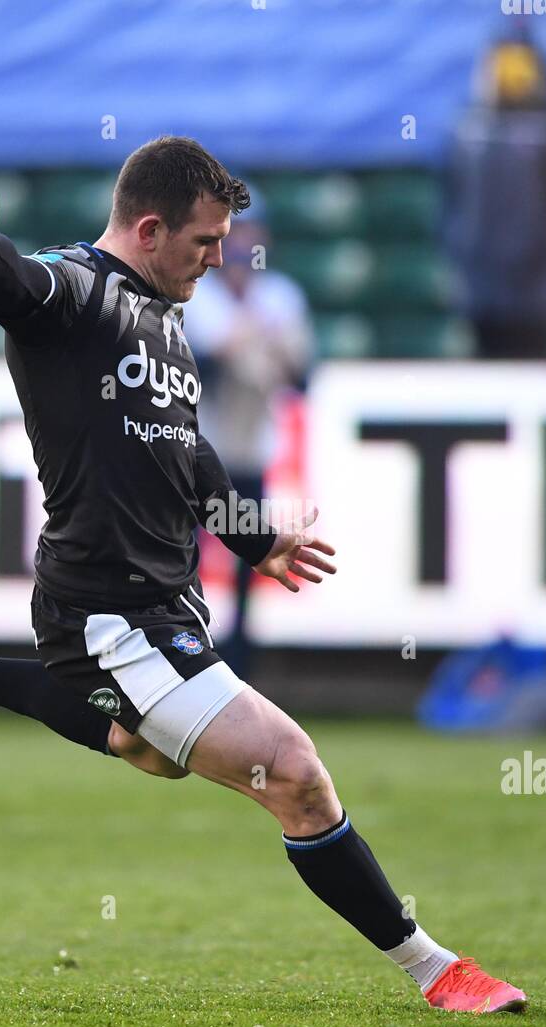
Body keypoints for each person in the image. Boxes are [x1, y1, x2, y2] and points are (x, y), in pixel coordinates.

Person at [0, 136, 525, 1013]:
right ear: (151, 228)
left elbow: (186, 452)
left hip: (168, 603)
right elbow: (20, 288)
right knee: (295, 772)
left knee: (147, 751)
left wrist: (253, 537)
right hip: (106, 610)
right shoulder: (78, 290)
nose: (218, 259)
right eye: (204, 243)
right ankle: (438, 971)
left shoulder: (164, 316)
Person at [185, 188, 313, 678]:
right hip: (201, 448)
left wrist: (266, 350)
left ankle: (238, 665)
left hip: (252, 446)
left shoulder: (280, 296)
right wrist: (250, 344)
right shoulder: (200, 294)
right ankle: (186, 647)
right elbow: (207, 366)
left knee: (250, 558)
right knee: (187, 553)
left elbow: (300, 377)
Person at [443, 32, 546, 358]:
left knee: (536, 369)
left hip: (537, 290)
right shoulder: (467, 129)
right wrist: (463, 259)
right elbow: (451, 201)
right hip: (482, 290)